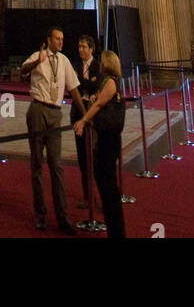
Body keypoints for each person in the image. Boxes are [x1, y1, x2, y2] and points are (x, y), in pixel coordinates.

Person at [21, 26, 85, 234]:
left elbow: (73, 88)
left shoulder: (65, 61)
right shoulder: (37, 56)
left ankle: (63, 217)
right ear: (48, 39)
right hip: (38, 109)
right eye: (57, 38)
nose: (60, 42)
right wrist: (36, 62)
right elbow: (22, 70)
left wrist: (85, 114)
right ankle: (41, 215)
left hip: (56, 112)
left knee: (56, 165)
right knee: (37, 163)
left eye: (62, 39)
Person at [74, 48, 126, 238]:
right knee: (105, 179)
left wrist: (84, 120)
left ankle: (117, 231)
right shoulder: (109, 83)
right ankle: (114, 228)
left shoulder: (111, 82)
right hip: (107, 138)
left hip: (109, 139)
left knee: (107, 182)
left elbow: (98, 105)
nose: (100, 64)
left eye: (103, 61)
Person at [74, 33, 100, 205]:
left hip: (95, 116)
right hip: (77, 114)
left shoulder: (99, 66)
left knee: (96, 155)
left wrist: (86, 84)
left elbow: (96, 86)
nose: (80, 50)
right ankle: (88, 196)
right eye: (79, 46)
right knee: (82, 157)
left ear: (91, 49)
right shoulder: (75, 66)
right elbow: (74, 86)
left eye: (84, 47)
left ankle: (102, 195)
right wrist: (88, 83)